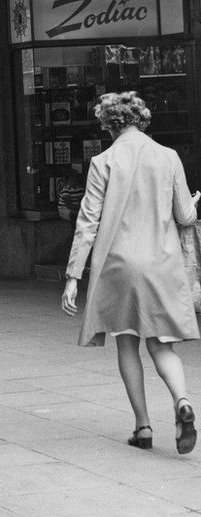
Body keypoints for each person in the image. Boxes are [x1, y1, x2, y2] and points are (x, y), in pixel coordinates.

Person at [62, 91, 201, 454]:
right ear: (142, 119)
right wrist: (193, 203)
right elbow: (185, 216)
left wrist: (73, 276)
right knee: (162, 343)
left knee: (127, 342)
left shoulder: (103, 161)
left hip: (120, 263)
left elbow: (88, 222)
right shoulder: (168, 156)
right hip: (161, 263)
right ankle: (183, 400)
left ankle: (143, 427)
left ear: (108, 124)